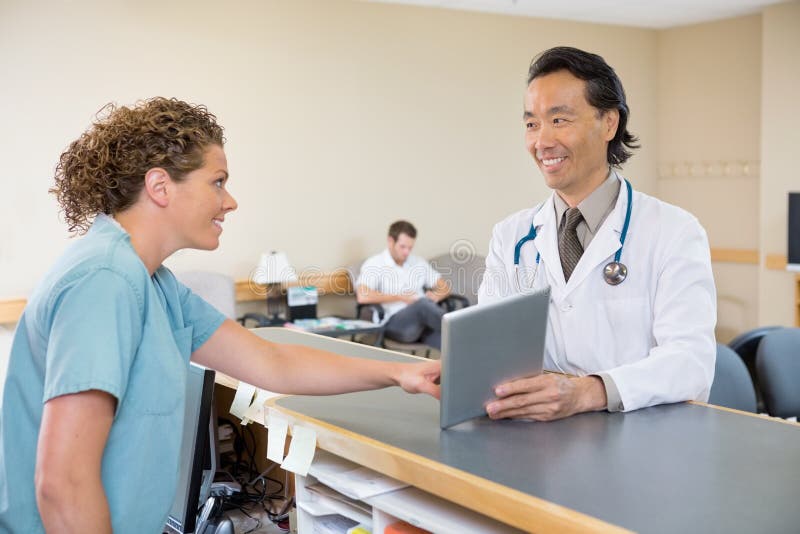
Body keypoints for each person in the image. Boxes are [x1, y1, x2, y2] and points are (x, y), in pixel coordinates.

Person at [0, 98, 441, 534]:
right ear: (160, 187)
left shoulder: (154, 283)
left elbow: (273, 363)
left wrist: (401, 374)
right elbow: (63, 485)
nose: (229, 201)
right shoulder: (104, 281)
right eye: (217, 182)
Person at [478, 46, 716, 422]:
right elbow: (488, 350)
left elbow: (691, 364)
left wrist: (588, 391)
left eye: (559, 120)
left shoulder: (674, 231)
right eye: (531, 124)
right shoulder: (511, 237)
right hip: (533, 444)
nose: (541, 142)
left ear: (609, 123)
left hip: (637, 441)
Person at [356, 221, 451, 349]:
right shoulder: (375, 263)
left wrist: (436, 296)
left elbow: (444, 287)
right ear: (390, 241)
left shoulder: (418, 262)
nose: (407, 252)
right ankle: (459, 328)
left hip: (424, 324)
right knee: (423, 305)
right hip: (395, 323)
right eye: (402, 247)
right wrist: (400, 297)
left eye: (410, 248)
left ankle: (463, 342)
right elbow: (363, 296)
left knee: (451, 344)